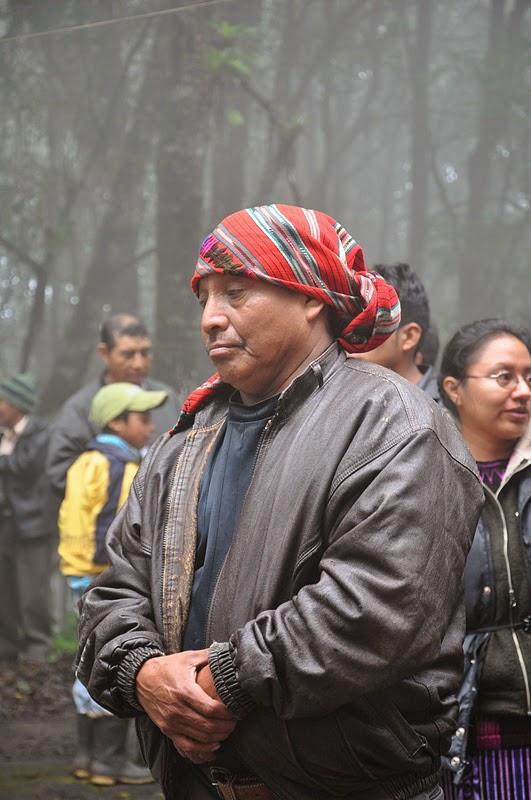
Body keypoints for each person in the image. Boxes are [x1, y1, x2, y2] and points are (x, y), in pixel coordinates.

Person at [76, 204, 484, 800]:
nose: (212, 319)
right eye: (204, 299)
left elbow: (379, 607)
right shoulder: (183, 441)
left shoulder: (395, 424)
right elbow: (114, 592)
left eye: (236, 293)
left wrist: (220, 680)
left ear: (312, 297)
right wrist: (141, 673)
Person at [437, 319, 531, 800]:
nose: (522, 391)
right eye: (503, 377)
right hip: (463, 739)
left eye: (529, 377)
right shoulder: (427, 480)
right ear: (454, 388)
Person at [59, 381, 168, 786]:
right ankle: (107, 759)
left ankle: (91, 757)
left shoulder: (108, 460)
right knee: (109, 657)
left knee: (89, 660)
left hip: (96, 576)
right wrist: (83, 571)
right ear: (117, 422)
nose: (150, 426)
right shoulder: (111, 465)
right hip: (105, 579)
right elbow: (86, 521)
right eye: (142, 419)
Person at [46, 312, 181, 498]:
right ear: (104, 353)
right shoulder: (80, 408)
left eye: (145, 352)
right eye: (128, 354)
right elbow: (61, 473)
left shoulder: (168, 400)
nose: (138, 363)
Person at [0, 374, 53, 665]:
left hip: (32, 525)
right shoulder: (5, 436)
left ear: (17, 405)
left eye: (3, 401)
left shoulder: (41, 432)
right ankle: (7, 647)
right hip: (5, 524)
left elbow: (26, 466)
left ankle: (37, 650)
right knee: (4, 588)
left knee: (32, 591)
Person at [352, 262, 440, 401]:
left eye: (364, 328)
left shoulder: (443, 414)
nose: (350, 341)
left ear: (409, 337)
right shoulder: (352, 396)